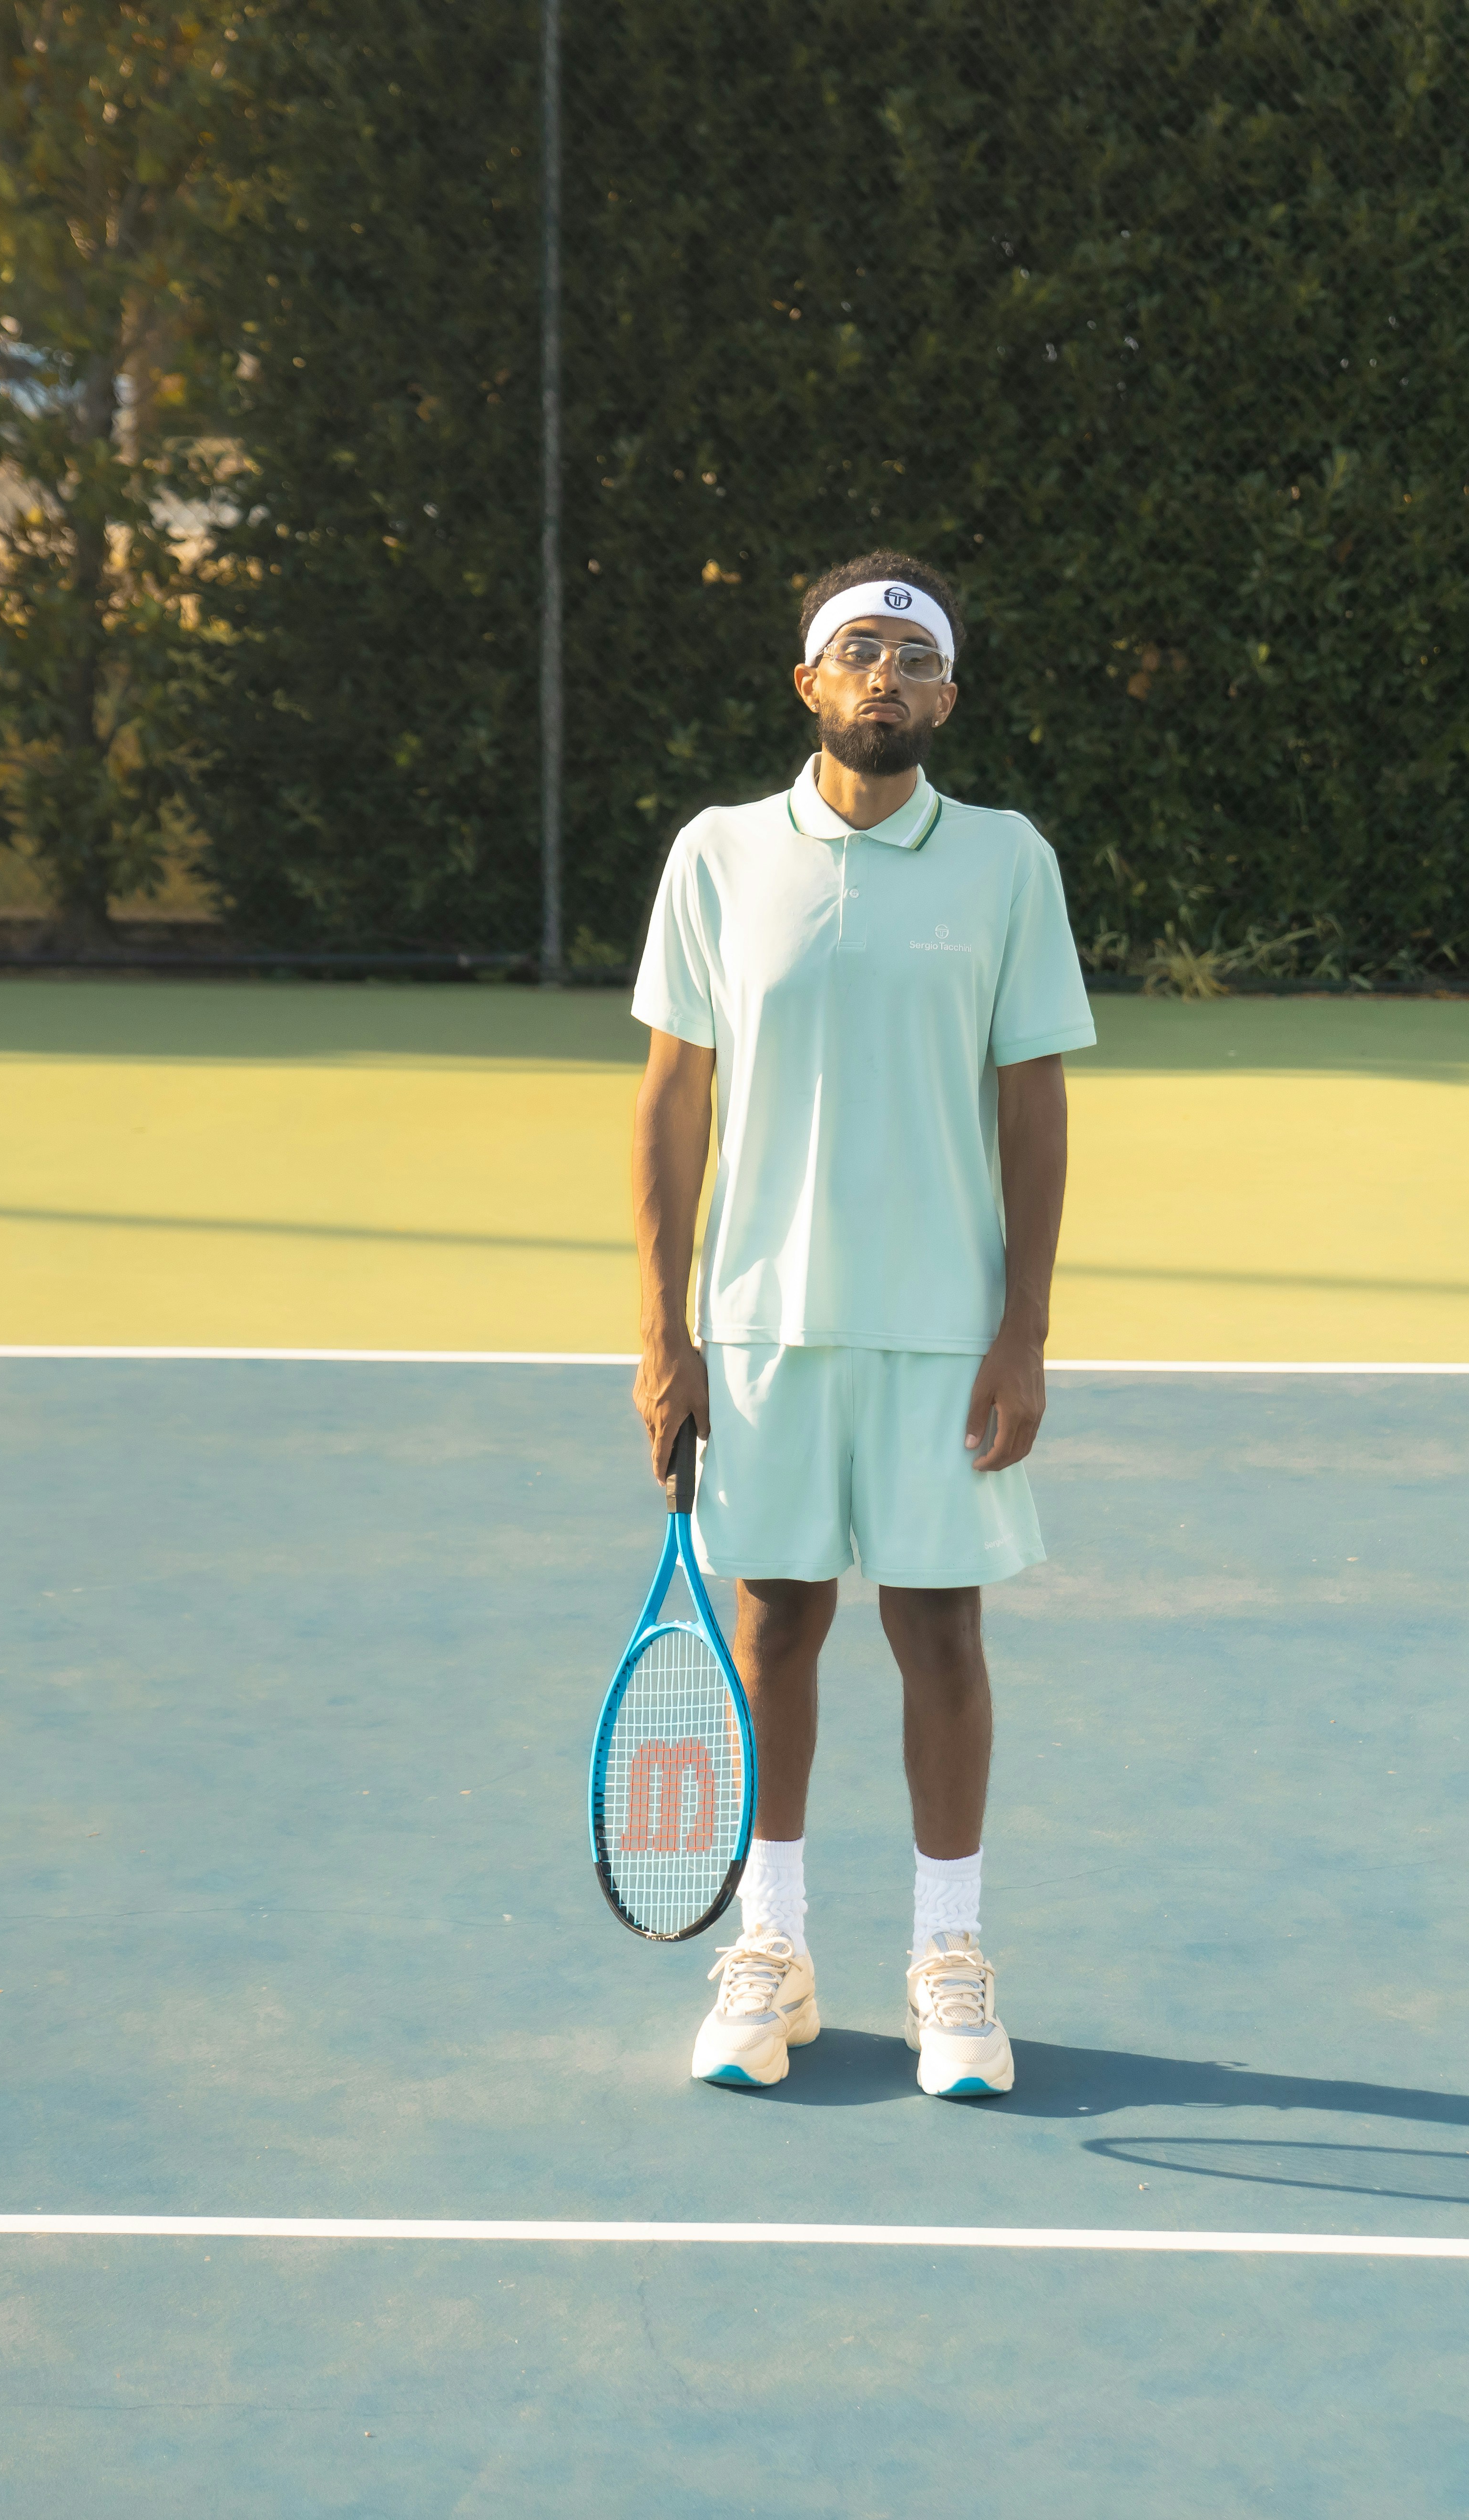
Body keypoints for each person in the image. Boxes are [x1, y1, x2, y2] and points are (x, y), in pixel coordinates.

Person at [629, 550, 1095, 2097]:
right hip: (761, 1327)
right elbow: (670, 1101)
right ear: (808, 685)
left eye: (913, 658)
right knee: (773, 1622)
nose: (884, 676)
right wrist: (663, 1328)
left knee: (940, 1630)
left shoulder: (1008, 861)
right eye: (857, 652)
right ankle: (771, 1952)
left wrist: (1022, 1330)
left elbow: (1034, 1105)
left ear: (946, 697)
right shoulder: (713, 855)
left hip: (942, 1332)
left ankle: (947, 1962)